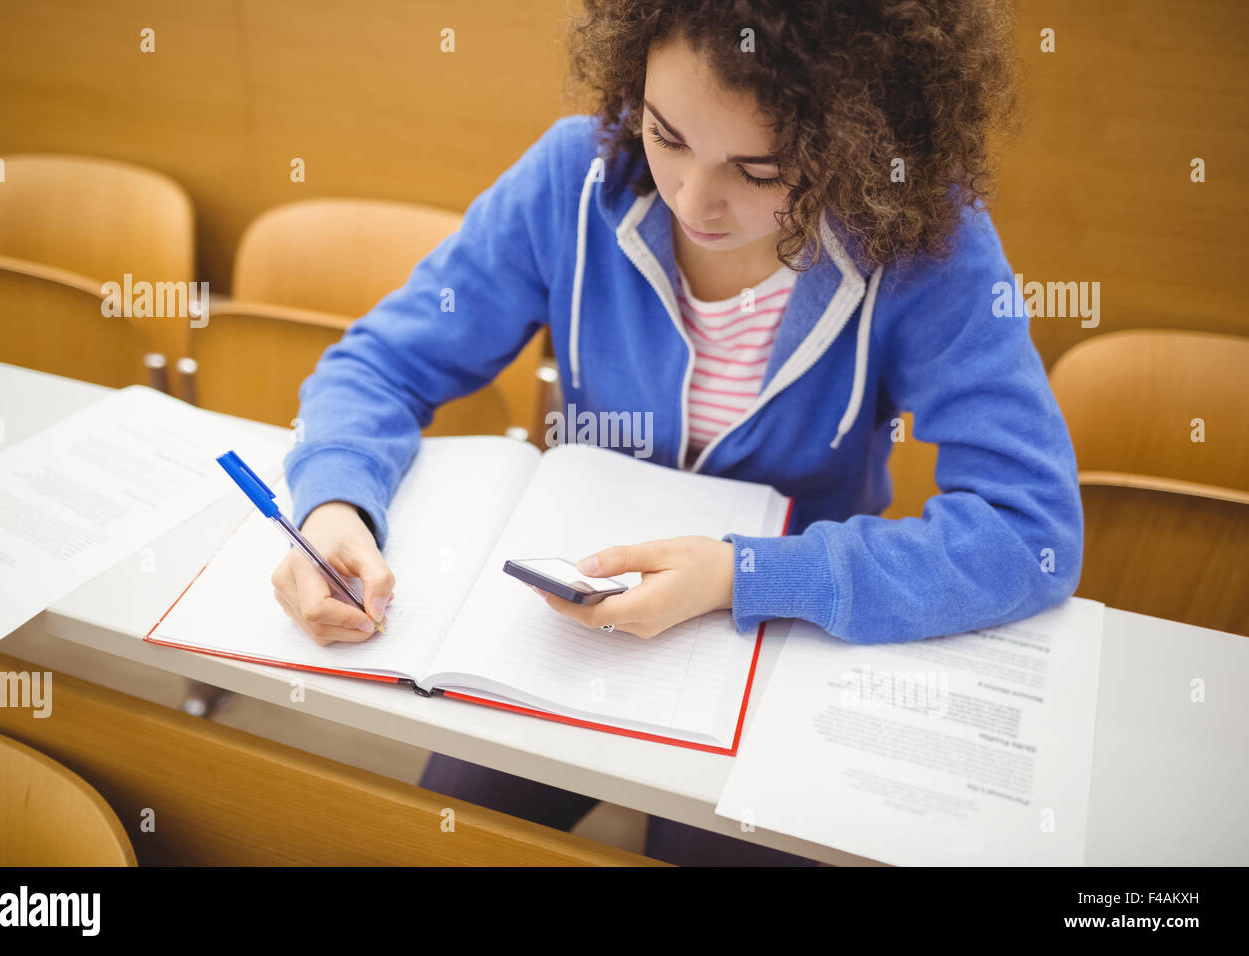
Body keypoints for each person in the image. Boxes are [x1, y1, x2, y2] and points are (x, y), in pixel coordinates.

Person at [270, 0, 1082, 865]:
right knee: (441, 839)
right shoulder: (575, 178)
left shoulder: (923, 239)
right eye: (667, 134)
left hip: (780, 637)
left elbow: (1028, 531)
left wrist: (744, 573)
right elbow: (378, 366)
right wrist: (333, 506)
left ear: (859, 141)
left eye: (760, 169)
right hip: (564, 622)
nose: (695, 198)